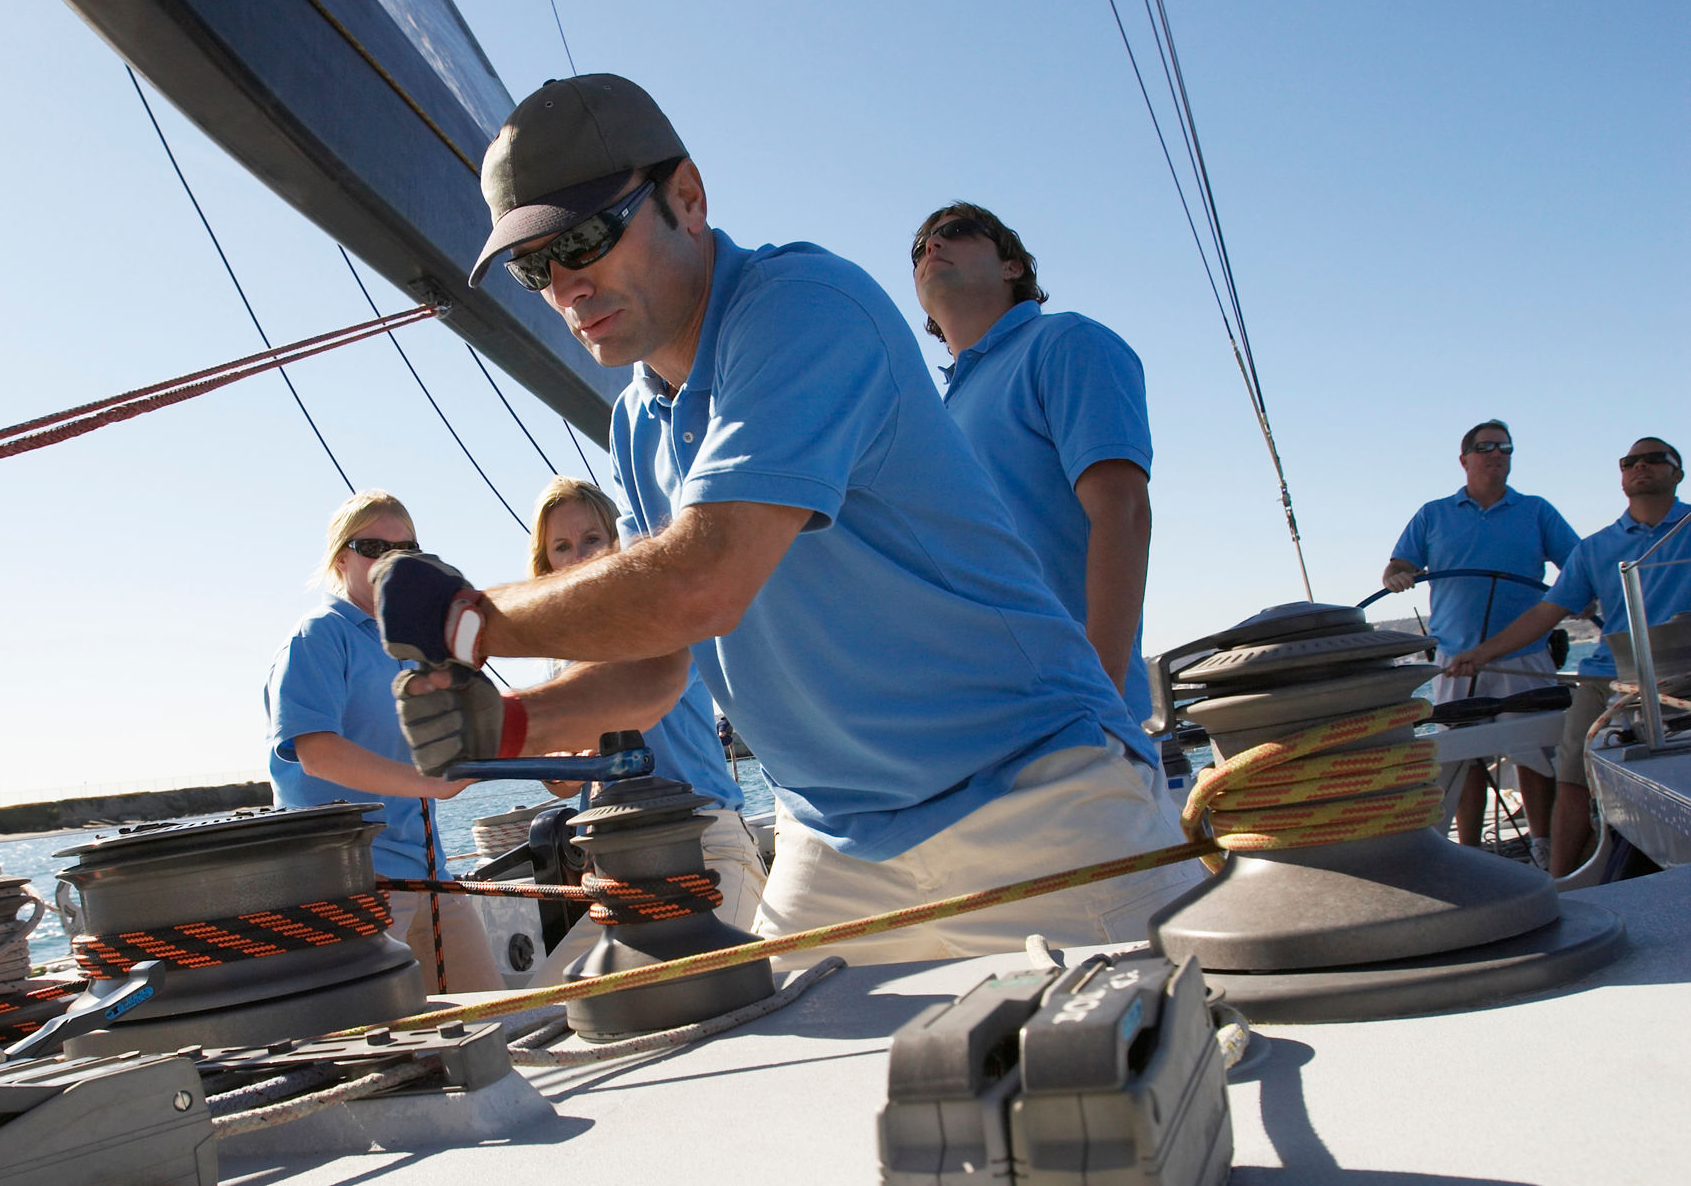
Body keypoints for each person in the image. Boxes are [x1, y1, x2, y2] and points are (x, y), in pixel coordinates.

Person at [377, 73, 1198, 967]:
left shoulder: (804, 305)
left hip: (1041, 797)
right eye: (537, 267)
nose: (566, 284)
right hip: (834, 842)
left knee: (1157, 1082)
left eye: (582, 239)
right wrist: (514, 728)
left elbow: (704, 581)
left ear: (687, 199)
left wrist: (468, 620)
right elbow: (660, 665)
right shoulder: (635, 419)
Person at [913, 202, 1154, 725]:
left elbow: (1123, 511)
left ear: (1012, 267)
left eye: (955, 232)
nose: (932, 246)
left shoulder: (1065, 343)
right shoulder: (938, 414)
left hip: (1074, 721)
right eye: (920, 248)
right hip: (980, 728)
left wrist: (1102, 700)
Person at [522, 476, 768, 985]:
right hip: (617, 868)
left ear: (617, 540)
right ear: (548, 566)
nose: (580, 556)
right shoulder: (562, 659)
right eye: (562, 548)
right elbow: (564, 782)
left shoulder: (663, 620)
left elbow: (634, 704)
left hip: (708, 845)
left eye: (592, 538)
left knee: (716, 988)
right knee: (546, 1007)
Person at [263, 488, 502, 992]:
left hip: (430, 875)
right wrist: (429, 784)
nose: (391, 562)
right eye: (375, 548)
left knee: (493, 1018)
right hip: (351, 886)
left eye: (407, 551)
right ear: (342, 558)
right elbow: (315, 751)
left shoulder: (417, 646)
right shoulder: (319, 636)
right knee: (379, 1040)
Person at [1447, 438, 1690, 877]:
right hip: (1606, 680)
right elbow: (1545, 612)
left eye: (1654, 459)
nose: (1640, 466)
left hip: (1684, 676)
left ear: (1677, 473)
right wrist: (1479, 654)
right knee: (1573, 778)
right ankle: (1562, 885)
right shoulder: (1596, 548)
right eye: (1629, 461)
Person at [1383, 420, 1580, 865]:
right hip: (1456, 659)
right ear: (1464, 459)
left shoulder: (1537, 511)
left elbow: (1578, 566)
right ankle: (1468, 855)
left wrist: (1578, 600)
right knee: (1462, 759)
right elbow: (1398, 565)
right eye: (1486, 447)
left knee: (1535, 754)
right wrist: (1398, 576)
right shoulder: (1433, 514)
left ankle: (1545, 845)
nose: (1497, 454)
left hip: (1526, 656)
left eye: (1505, 448)